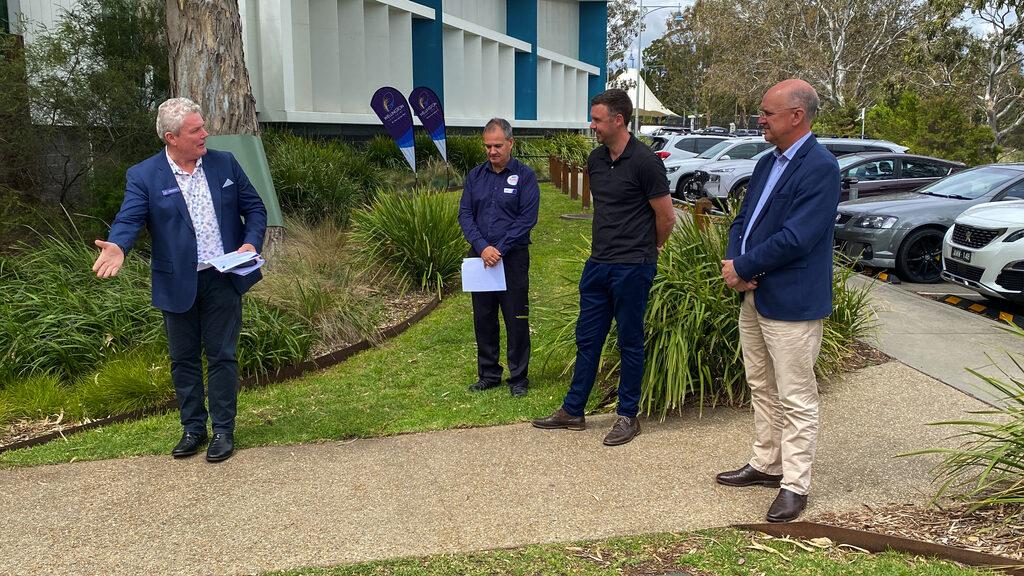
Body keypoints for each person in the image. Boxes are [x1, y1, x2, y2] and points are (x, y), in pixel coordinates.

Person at [92, 97, 268, 463]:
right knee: (183, 359)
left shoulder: (224, 163)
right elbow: (129, 218)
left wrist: (250, 243)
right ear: (171, 138)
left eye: (203, 127)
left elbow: (254, 207)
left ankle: (223, 430)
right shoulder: (144, 175)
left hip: (223, 277)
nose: (205, 134)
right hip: (176, 282)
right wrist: (119, 246)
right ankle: (193, 428)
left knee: (222, 356)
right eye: (196, 130)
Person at [716, 79, 840, 522]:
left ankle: (795, 484)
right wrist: (735, 261)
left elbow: (797, 238)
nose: (760, 119)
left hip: (792, 301)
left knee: (796, 396)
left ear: (797, 116)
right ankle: (767, 463)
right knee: (762, 386)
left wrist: (745, 267)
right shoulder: (768, 162)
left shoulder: (821, 167)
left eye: (767, 112)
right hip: (755, 295)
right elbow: (743, 219)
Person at [532, 88, 675, 446]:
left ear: (618, 120)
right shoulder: (595, 159)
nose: (591, 125)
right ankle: (573, 410)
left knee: (629, 341)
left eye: (597, 119)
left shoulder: (646, 162)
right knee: (588, 338)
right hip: (598, 264)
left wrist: (653, 247)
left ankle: (628, 415)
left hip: (632, 266)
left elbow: (666, 217)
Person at [458, 118, 540, 397]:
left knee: (515, 317)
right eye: (487, 146)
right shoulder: (475, 176)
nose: (492, 151)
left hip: (512, 258)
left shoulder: (525, 176)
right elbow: (465, 214)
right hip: (480, 259)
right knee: (483, 317)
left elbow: (527, 219)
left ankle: (518, 377)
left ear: (510, 143)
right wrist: (482, 247)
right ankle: (489, 373)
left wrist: (499, 249)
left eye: (497, 146)